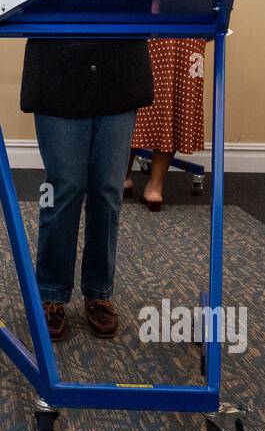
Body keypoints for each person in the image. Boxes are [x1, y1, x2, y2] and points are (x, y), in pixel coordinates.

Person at [21, 38, 153, 340]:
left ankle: (99, 292)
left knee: (108, 192)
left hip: (118, 72)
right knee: (64, 189)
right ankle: (51, 294)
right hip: (59, 69)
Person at [127, 38, 207, 211]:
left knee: (132, 94)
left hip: (145, 26)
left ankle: (121, 178)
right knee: (173, 100)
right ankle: (155, 186)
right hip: (187, 27)